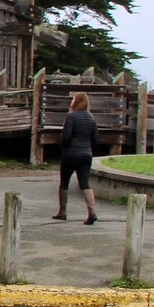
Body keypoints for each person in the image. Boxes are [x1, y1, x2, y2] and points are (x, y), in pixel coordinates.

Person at [54, 90, 100, 224]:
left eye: (73, 99)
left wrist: (63, 147)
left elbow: (66, 137)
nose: (71, 101)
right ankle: (92, 212)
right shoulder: (92, 118)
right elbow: (95, 138)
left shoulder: (71, 117)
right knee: (85, 182)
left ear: (78, 102)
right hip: (86, 154)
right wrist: (87, 147)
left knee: (64, 182)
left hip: (71, 154)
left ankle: (62, 212)